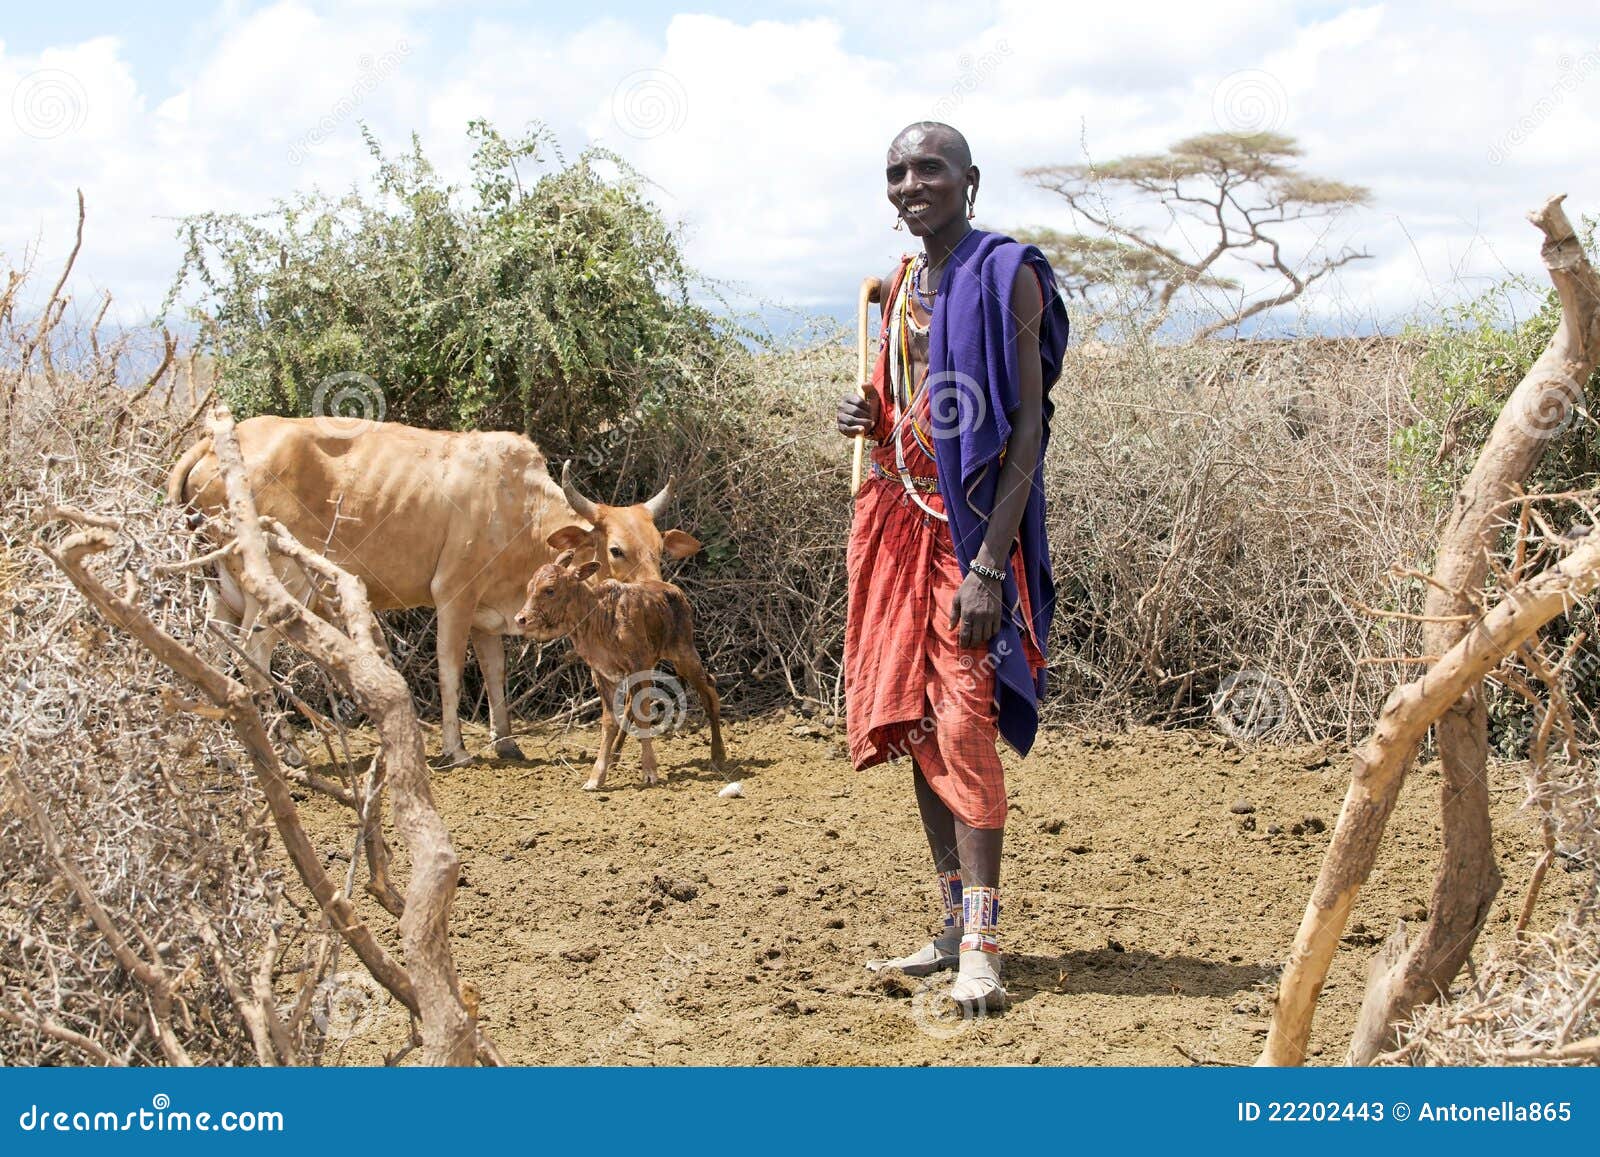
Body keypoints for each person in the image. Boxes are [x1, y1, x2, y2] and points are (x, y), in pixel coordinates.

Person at [836, 121, 1068, 1012]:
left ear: (970, 181)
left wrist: (987, 565)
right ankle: (948, 919)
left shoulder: (1007, 275)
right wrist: (876, 415)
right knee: (915, 726)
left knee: (963, 721)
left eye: (928, 168)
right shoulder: (898, 288)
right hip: (895, 521)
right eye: (895, 170)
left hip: (968, 534)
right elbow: (911, 400)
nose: (909, 183)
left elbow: (1025, 433)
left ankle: (983, 942)